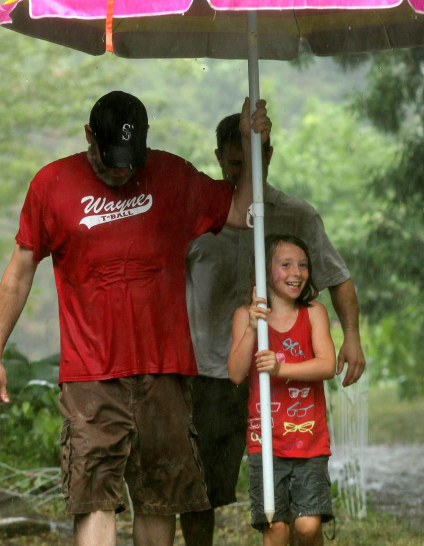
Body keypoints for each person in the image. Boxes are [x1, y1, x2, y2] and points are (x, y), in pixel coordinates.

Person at [0, 91, 271, 546]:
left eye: (129, 161)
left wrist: (254, 149)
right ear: (89, 137)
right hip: (91, 375)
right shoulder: (52, 184)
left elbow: (242, 211)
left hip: (166, 370)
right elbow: (19, 272)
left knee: (159, 498)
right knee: (94, 497)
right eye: (110, 158)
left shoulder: (171, 175)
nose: (120, 170)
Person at [180, 115, 365, 545]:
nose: (243, 173)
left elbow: (338, 276)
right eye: (233, 163)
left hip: (286, 375)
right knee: (200, 491)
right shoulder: (196, 219)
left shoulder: (297, 216)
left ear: (270, 156)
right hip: (212, 371)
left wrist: (351, 336)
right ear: (219, 160)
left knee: (292, 491)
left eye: (253, 160)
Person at [228, 234, 336, 546]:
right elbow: (235, 374)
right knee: (276, 528)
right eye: (286, 264)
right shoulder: (244, 317)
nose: (297, 272)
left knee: (306, 526)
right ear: (264, 271)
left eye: (303, 265)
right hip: (266, 442)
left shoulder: (313, 312)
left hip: (309, 439)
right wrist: (251, 327)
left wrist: (280, 369)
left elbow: (327, 365)